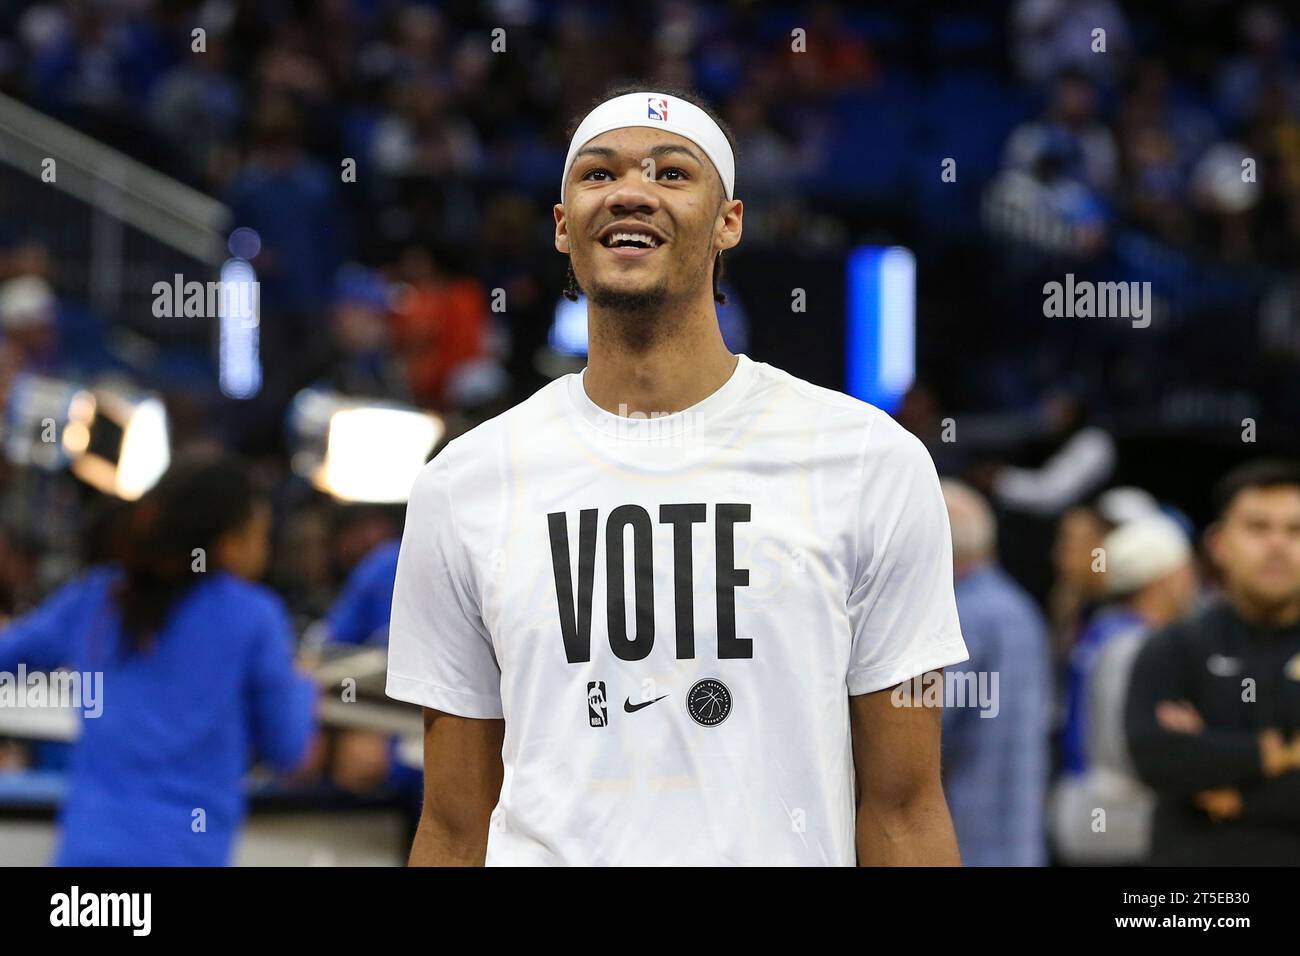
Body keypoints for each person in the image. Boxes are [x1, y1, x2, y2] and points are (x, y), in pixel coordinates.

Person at [386, 83, 970, 866]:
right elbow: (454, 828)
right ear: (564, 228)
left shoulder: (869, 463)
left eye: (670, 173)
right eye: (598, 174)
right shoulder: (464, 484)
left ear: (730, 220)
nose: (630, 191)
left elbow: (905, 811)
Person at [0, 458, 319, 865]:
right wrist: (302, 686)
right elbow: (288, 752)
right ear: (228, 542)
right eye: (259, 534)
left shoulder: (99, 598)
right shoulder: (256, 616)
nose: (264, 550)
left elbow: (9, 653)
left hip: (86, 859)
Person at [1125, 459, 1300, 865]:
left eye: (1294, 530)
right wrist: (1279, 753)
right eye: (1258, 527)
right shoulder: (1174, 645)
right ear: (1219, 544)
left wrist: (1234, 797)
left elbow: (1184, 760)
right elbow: (1154, 756)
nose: (1278, 544)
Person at [1051, 512, 1198, 864]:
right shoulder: (1135, 644)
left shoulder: (1105, 629)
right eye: (1187, 569)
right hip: (1118, 821)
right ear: (1166, 578)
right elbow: (1125, 744)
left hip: (1092, 810)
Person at [939, 480, 1051, 866]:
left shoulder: (959, 615)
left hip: (965, 837)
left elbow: (923, 722)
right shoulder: (1020, 607)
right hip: (1019, 838)